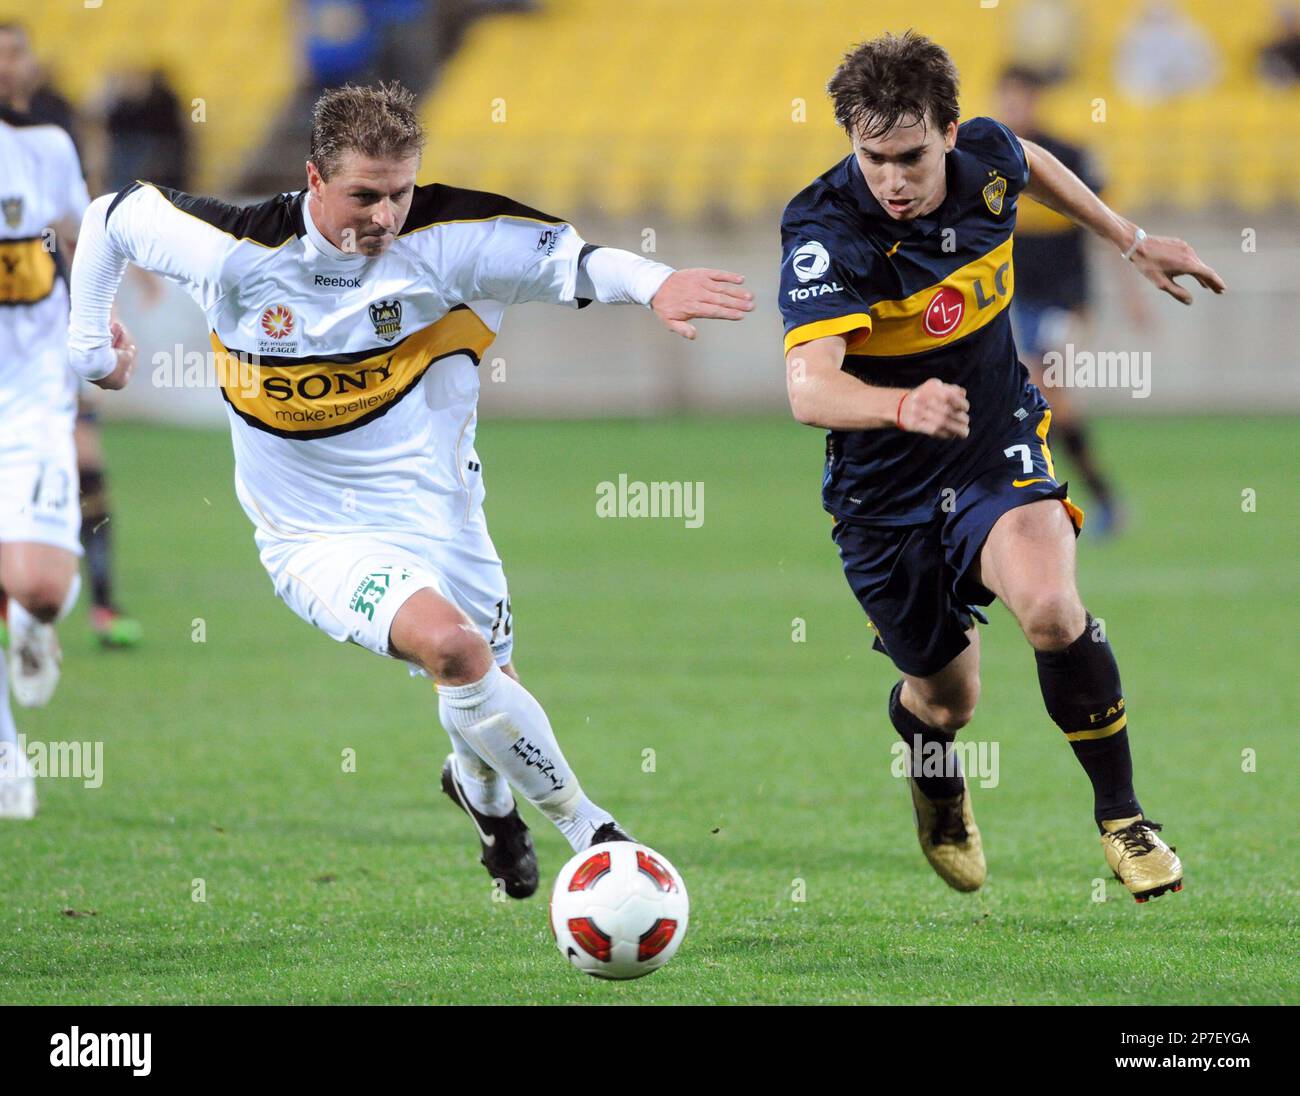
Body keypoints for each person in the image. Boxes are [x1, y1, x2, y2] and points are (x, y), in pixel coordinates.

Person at [67, 81, 754, 894]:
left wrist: (654, 284)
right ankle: (594, 837)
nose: (384, 218)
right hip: (314, 538)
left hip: (444, 509)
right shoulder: (235, 251)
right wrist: (89, 346)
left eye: (399, 194)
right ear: (315, 182)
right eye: (364, 195)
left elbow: (574, 261)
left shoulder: (450, 237)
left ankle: (485, 801)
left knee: (487, 681)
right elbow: (112, 216)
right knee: (456, 649)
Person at [779, 32, 1224, 901]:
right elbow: (809, 388)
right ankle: (938, 781)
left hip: (992, 439)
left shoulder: (985, 152)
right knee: (947, 702)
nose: (893, 180)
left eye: (910, 156)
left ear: (948, 133)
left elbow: (1028, 158)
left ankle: (1125, 821)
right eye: (872, 159)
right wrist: (902, 405)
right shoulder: (826, 228)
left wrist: (1130, 240)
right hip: (882, 490)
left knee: (1053, 610)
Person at [0, 22, 95, 818]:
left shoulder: (46, 148)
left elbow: (78, 237)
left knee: (36, 586)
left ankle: (35, 626)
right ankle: (6, 757)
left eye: (14, 47)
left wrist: (105, 327)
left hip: (31, 392)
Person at [997, 65, 1139, 535]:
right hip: (1016, 300)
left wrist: (1131, 294)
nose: (1012, 107)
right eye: (1006, 98)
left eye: (1020, 98)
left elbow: (1110, 225)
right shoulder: (987, 162)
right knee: (1044, 399)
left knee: (1044, 391)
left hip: (1066, 298)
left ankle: (1050, 499)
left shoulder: (1067, 157)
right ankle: (1092, 499)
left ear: (1036, 100)